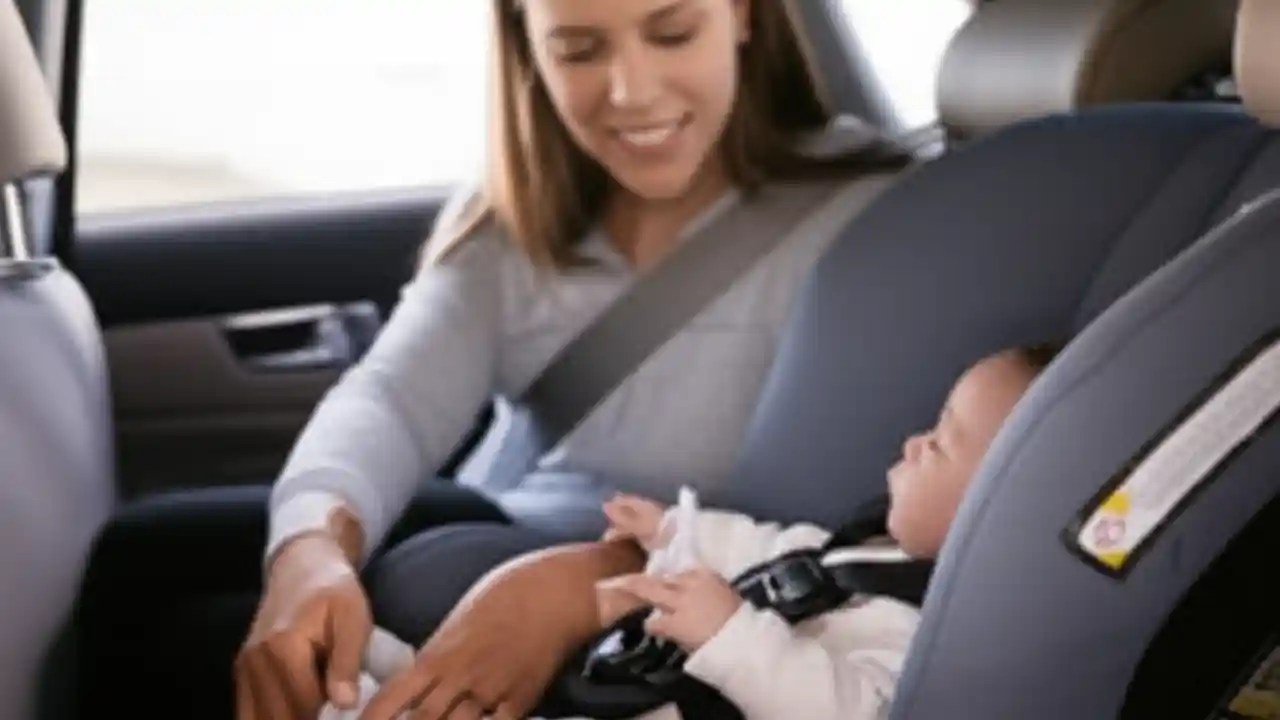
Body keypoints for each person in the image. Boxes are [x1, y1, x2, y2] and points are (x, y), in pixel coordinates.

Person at [227, 1, 913, 719]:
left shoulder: (871, 219)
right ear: (527, 46)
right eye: (579, 50)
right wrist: (309, 551)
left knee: (408, 584)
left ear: (742, 13)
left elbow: (852, 532)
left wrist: (593, 583)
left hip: (699, 587)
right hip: (504, 531)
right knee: (152, 559)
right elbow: (389, 399)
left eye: (673, 33)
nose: (631, 91)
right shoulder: (518, 220)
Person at [317, 344, 1059, 720]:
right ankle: (382, 683)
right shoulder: (875, 543)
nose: (912, 442)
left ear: (1000, 512)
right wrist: (682, 529)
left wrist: (732, 633)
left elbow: (839, 710)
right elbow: (785, 555)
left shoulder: (924, 630)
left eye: (943, 442)